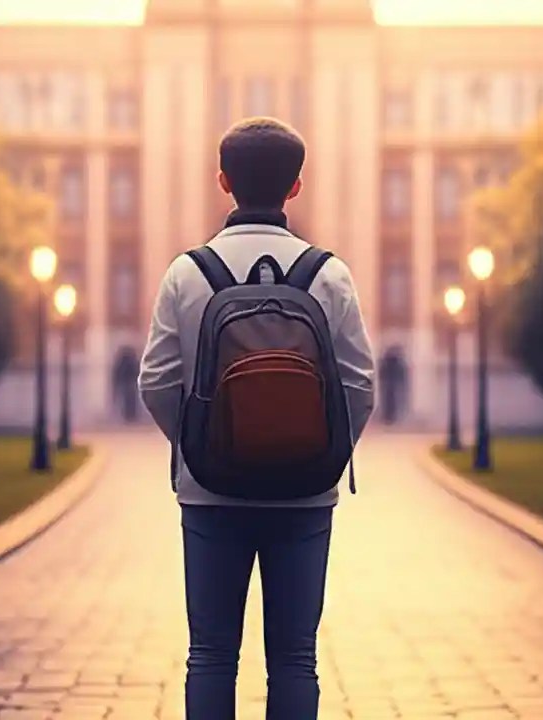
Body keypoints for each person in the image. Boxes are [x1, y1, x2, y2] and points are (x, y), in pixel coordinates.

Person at [138, 116, 376, 719]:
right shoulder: (330, 274)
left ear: (223, 181)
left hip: (210, 492)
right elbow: (360, 385)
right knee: (295, 657)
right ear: (296, 186)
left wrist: (202, 444)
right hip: (304, 496)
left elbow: (157, 382)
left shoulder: (187, 273)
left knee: (211, 654)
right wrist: (319, 451)